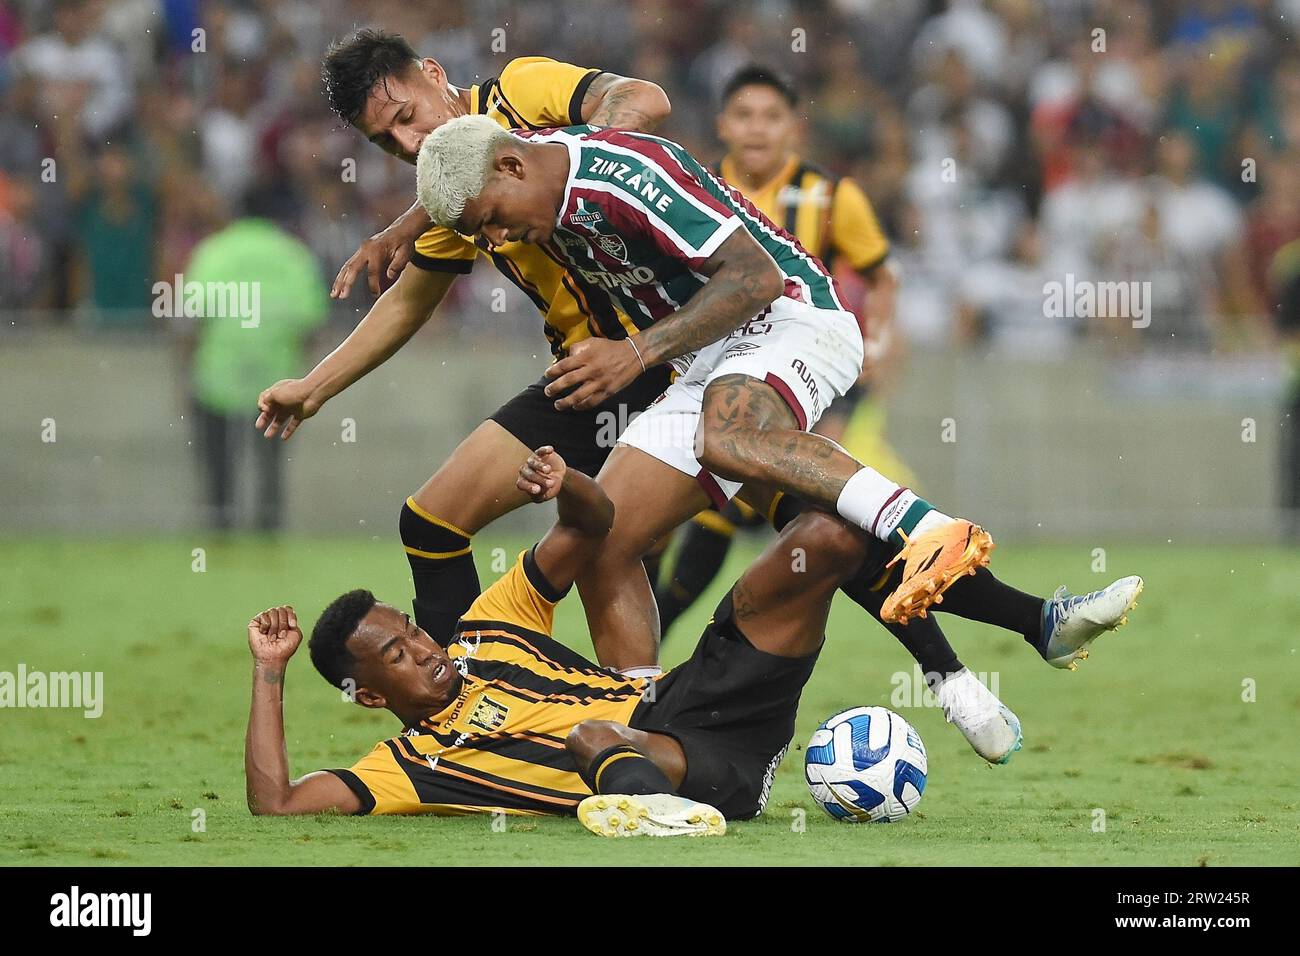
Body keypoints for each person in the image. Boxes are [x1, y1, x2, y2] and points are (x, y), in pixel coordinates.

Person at [415, 117, 1146, 763]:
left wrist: (633, 356)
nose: (498, 241)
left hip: (790, 314)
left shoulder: (624, 177)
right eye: (482, 234)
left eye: (494, 219)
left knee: (735, 445)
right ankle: (637, 737)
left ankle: (934, 532)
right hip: (704, 358)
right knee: (606, 536)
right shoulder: (531, 178)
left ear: (512, 166)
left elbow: (756, 275)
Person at [241, 447, 935, 835]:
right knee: (593, 738)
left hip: (696, 697)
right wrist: (270, 672)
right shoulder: (408, 763)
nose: (426, 650)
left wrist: (567, 483)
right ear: (367, 695)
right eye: (398, 656)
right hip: (683, 770)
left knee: (825, 539)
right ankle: (667, 827)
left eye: (414, 631)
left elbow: (595, 523)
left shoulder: (487, 628)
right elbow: (277, 802)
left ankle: (950, 668)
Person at [255, 31, 675, 670]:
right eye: (384, 141)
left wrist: (523, 166)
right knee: (433, 524)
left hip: (674, 350)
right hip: (588, 377)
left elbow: (643, 99)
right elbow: (408, 301)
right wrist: (311, 389)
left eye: (406, 117)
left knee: (627, 540)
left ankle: (644, 735)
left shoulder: (520, 93)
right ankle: (471, 714)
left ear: (433, 73)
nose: (407, 143)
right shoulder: (452, 200)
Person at [656, 65, 907, 637]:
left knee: (736, 495)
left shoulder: (829, 195)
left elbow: (881, 274)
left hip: (791, 367)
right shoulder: (692, 185)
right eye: (744, 115)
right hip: (704, 365)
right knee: (671, 511)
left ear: (794, 127)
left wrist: (880, 339)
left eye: (771, 117)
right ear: (722, 124)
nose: (757, 130)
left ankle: (668, 636)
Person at [178, 186, 328, 530]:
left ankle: (220, 530)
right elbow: (310, 322)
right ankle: (268, 529)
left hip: (218, 374)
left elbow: (190, 319)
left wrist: (186, 375)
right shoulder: (294, 255)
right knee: (269, 465)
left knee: (219, 464)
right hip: (276, 376)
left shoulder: (213, 251)